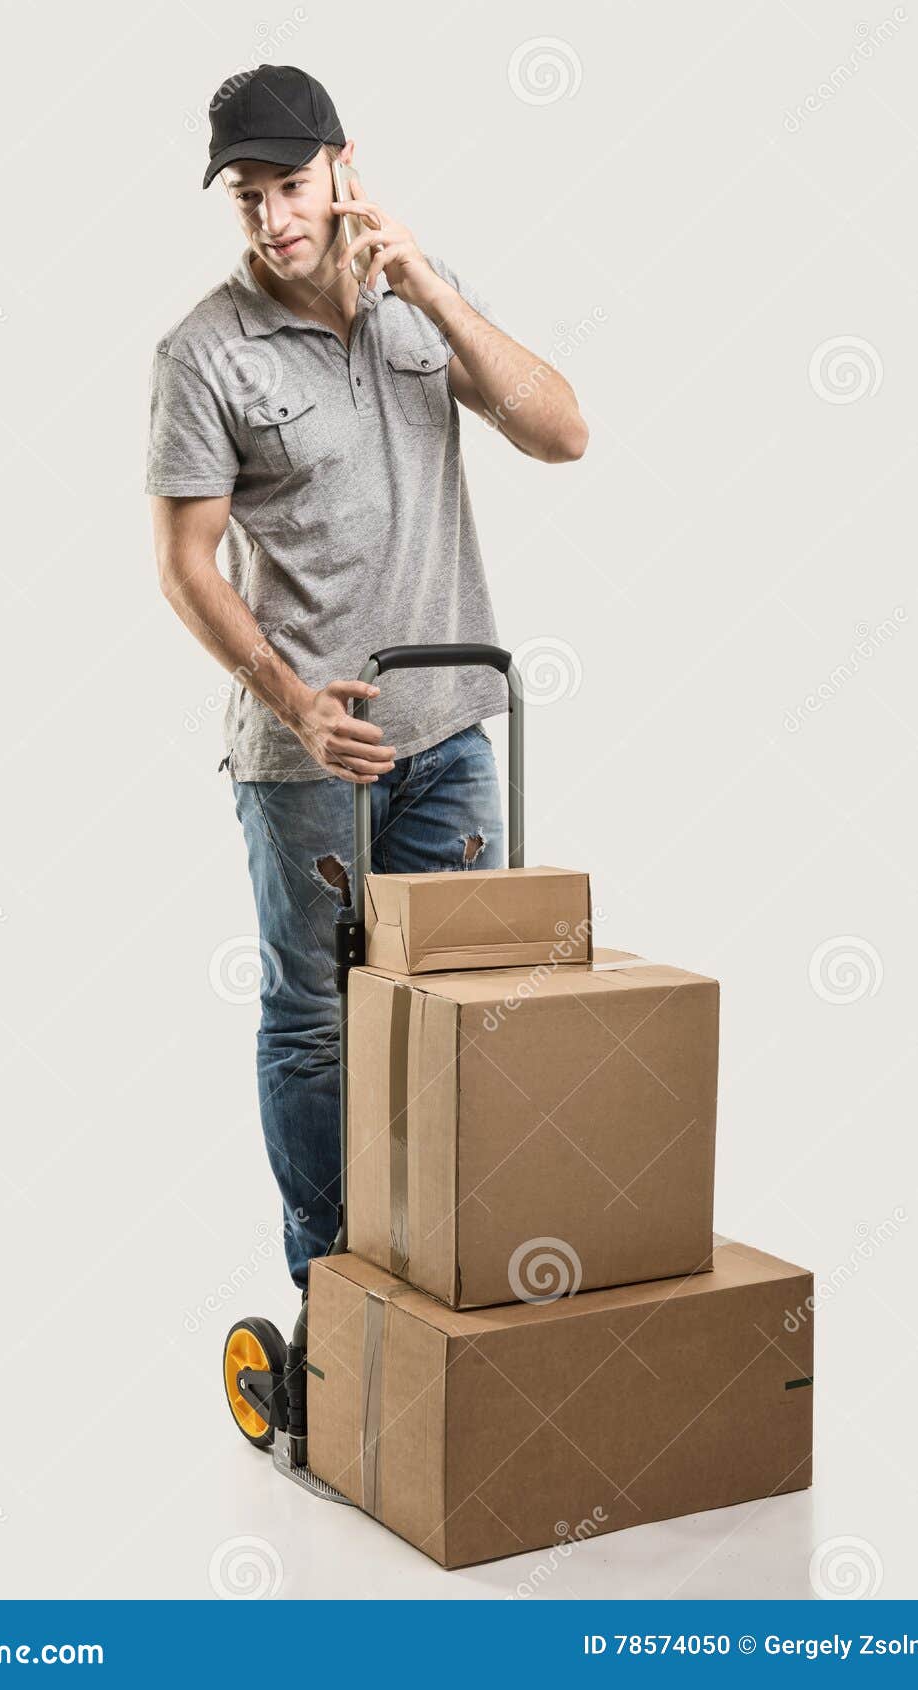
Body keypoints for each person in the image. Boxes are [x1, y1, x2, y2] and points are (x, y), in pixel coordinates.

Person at [147, 63, 588, 1292]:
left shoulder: (417, 301)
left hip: (451, 735)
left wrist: (434, 292)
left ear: (346, 166)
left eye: (291, 184)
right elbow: (185, 566)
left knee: (473, 1009)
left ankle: (465, 1266)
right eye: (248, 197)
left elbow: (562, 432)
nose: (275, 217)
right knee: (316, 1024)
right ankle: (335, 1296)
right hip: (303, 770)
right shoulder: (203, 353)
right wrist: (292, 700)